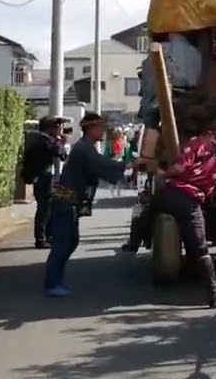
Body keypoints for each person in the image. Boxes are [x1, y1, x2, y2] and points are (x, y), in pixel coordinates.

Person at [124, 99, 216, 308]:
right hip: (192, 202)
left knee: (149, 208)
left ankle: (134, 242)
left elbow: (181, 169)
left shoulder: (196, 143)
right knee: (202, 251)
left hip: (172, 193)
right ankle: (214, 297)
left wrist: (165, 173)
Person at [43, 112, 127, 297]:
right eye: (100, 128)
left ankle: (56, 280)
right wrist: (127, 165)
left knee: (70, 241)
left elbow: (101, 163)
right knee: (63, 243)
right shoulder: (84, 148)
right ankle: (51, 283)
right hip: (65, 200)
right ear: (90, 129)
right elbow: (101, 165)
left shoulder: (86, 146)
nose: (103, 131)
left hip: (69, 200)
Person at [22, 116, 68, 249]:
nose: (60, 130)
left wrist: (60, 142)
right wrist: (60, 143)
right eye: (58, 127)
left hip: (48, 178)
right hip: (42, 179)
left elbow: (62, 155)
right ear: (50, 128)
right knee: (44, 209)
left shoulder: (48, 140)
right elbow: (57, 151)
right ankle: (40, 239)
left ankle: (49, 236)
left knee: (50, 208)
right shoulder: (42, 141)